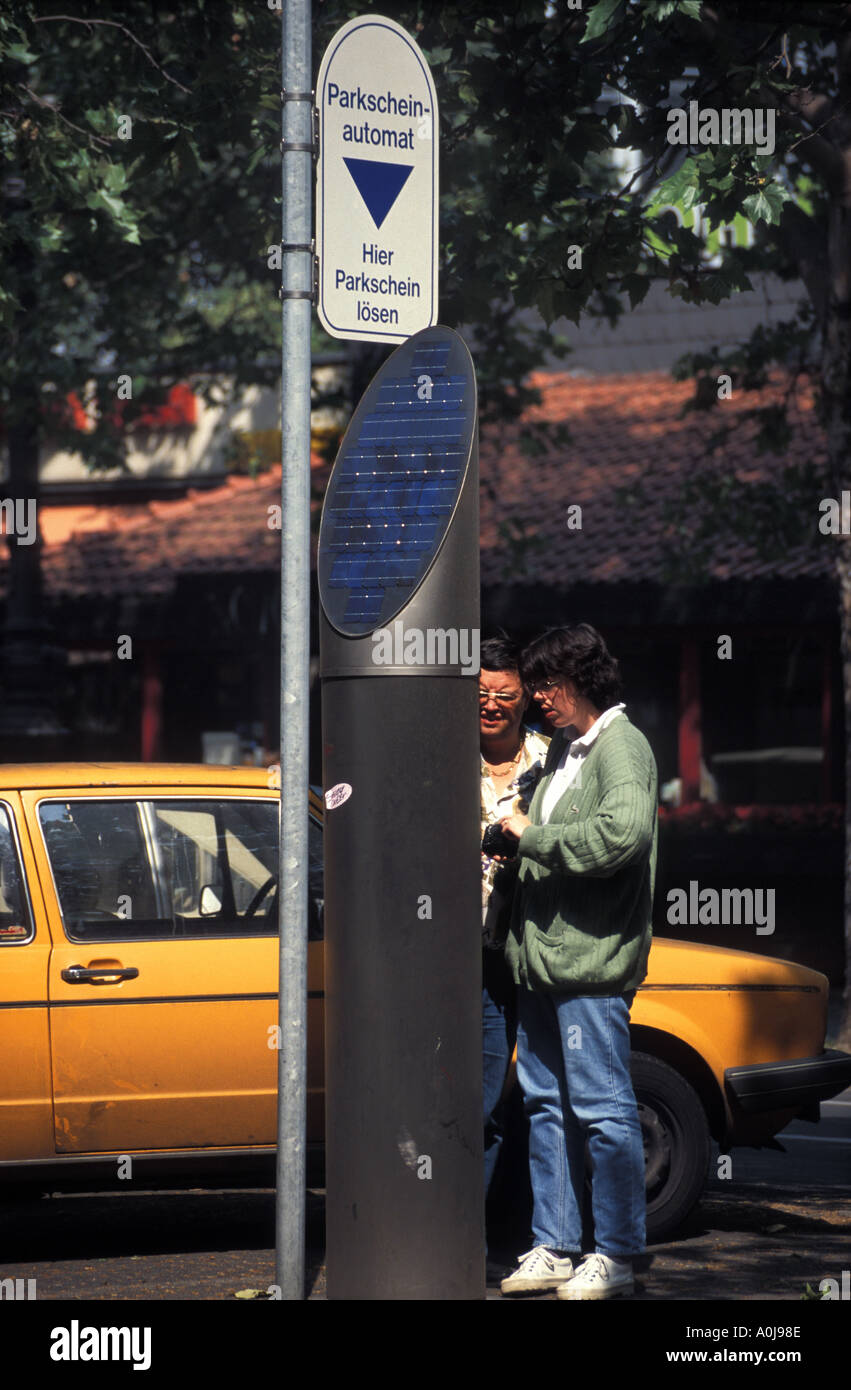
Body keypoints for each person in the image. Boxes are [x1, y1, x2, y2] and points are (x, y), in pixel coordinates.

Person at [497, 623, 657, 1301]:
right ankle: (556, 1244)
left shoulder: (620, 745)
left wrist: (532, 835)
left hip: (588, 963)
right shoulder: (569, 747)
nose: (536, 699)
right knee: (545, 1106)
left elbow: (622, 834)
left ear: (580, 680)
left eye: (545, 685)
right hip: (544, 962)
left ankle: (617, 1253)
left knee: (600, 1109)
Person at [479, 635, 549, 1196]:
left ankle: (549, 1233)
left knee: (548, 1090)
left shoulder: (555, 761)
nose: (491, 703)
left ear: (524, 698)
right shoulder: (439, 758)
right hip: (466, 951)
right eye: (480, 691)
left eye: (505, 693)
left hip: (538, 947)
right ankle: (466, 1239)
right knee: (479, 1094)